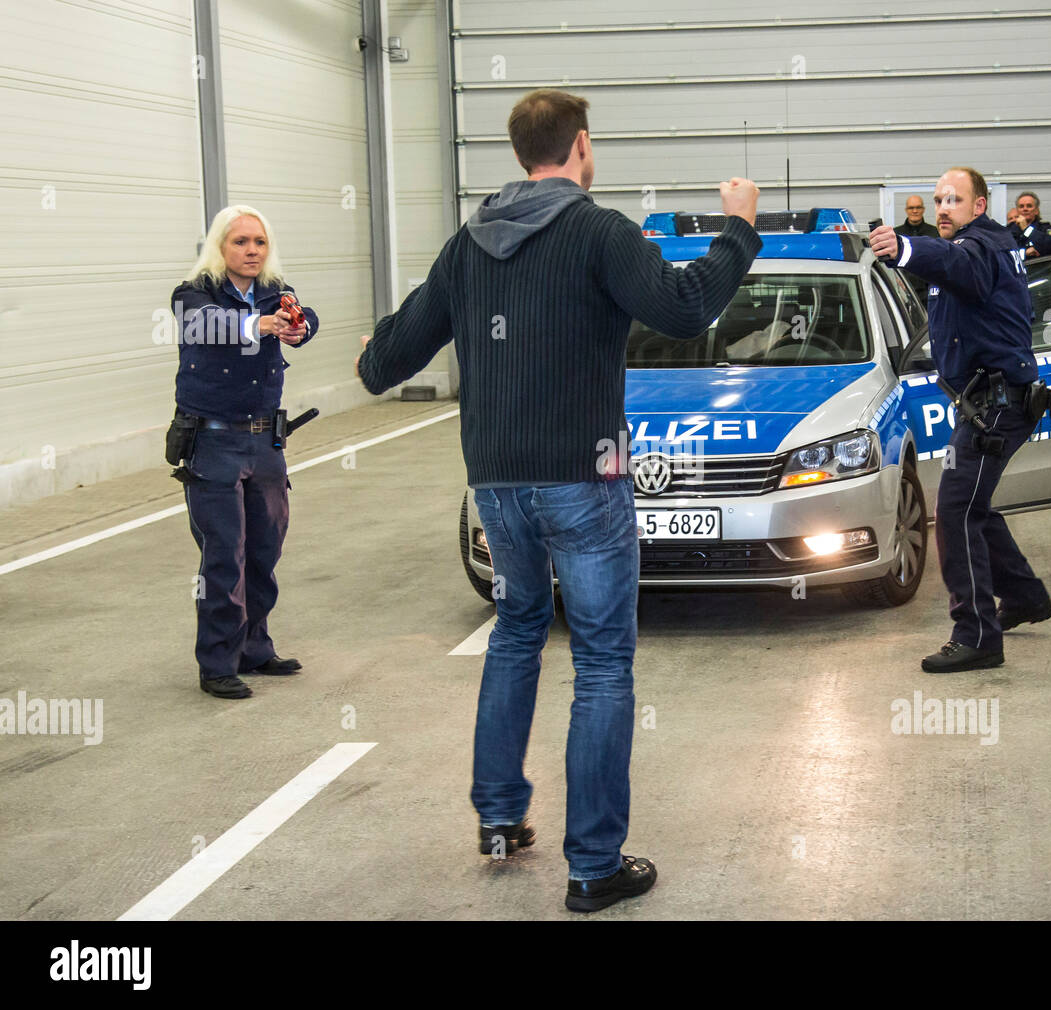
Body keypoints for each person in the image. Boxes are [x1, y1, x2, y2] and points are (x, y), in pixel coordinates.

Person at [355, 89, 761, 911]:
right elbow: (683, 308)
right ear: (581, 147)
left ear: (518, 153)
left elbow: (382, 364)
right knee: (603, 660)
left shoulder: (466, 247)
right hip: (584, 474)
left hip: (496, 484)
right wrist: (738, 230)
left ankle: (501, 821)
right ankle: (593, 865)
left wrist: (374, 342)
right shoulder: (599, 231)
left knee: (516, 630)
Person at [869, 166, 1051, 674]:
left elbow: (955, 263)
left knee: (954, 513)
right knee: (973, 505)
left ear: (979, 205)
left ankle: (976, 635)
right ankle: (1025, 597)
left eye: (954, 199)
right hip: (987, 402)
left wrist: (905, 249)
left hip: (994, 407)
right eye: (937, 200)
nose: (943, 207)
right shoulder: (983, 245)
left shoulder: (980, 248)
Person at [171, 206, 318, 700]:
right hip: (213, 443)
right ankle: (216, 663)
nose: (251, 250)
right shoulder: (193, 297)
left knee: (263, 551)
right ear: (220, 246)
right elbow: (210, 325)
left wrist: (298, 326)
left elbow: (305, 317)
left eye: (259, 242)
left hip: (266, 442)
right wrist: (264, 325)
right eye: (240, 242)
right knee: (223, 557)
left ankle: (254, 649)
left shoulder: (277, 292)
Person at [895, 194, 940, 300]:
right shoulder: (896, 235)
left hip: (929, 293)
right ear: (906, 210)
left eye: (918, 207)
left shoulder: (935, 233)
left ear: (923, 209)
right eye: (911, 208)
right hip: (903, 294)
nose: (915, 211)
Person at [1007, 191, 1051, 257]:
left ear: (1036, 211)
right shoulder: (1008, 231)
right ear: (1017, 211)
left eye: (1029, 206)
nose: (1025, 209)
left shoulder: (1046, 229)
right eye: (1021, 206)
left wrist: (1026, 229)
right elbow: (1004, 254)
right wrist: (1024, 253)